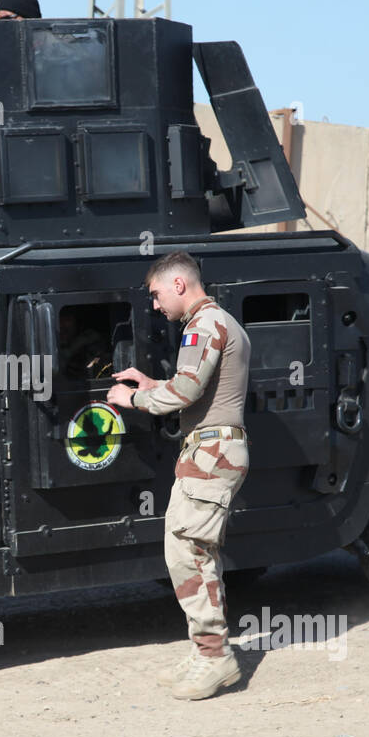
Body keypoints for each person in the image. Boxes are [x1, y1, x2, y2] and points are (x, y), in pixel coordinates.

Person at [106, 251, 251, 701]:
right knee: (189, 549)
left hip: (212, 453)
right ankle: (205, 650)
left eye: (156, 294)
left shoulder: (204, 325)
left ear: (179, 285)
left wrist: (131, 401)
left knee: (189, 552)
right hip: (209, 450)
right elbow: (195, 390)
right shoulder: (216, 322)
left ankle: (214, 657)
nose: (154, 305)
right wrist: (150, 385)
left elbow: (186, 390)